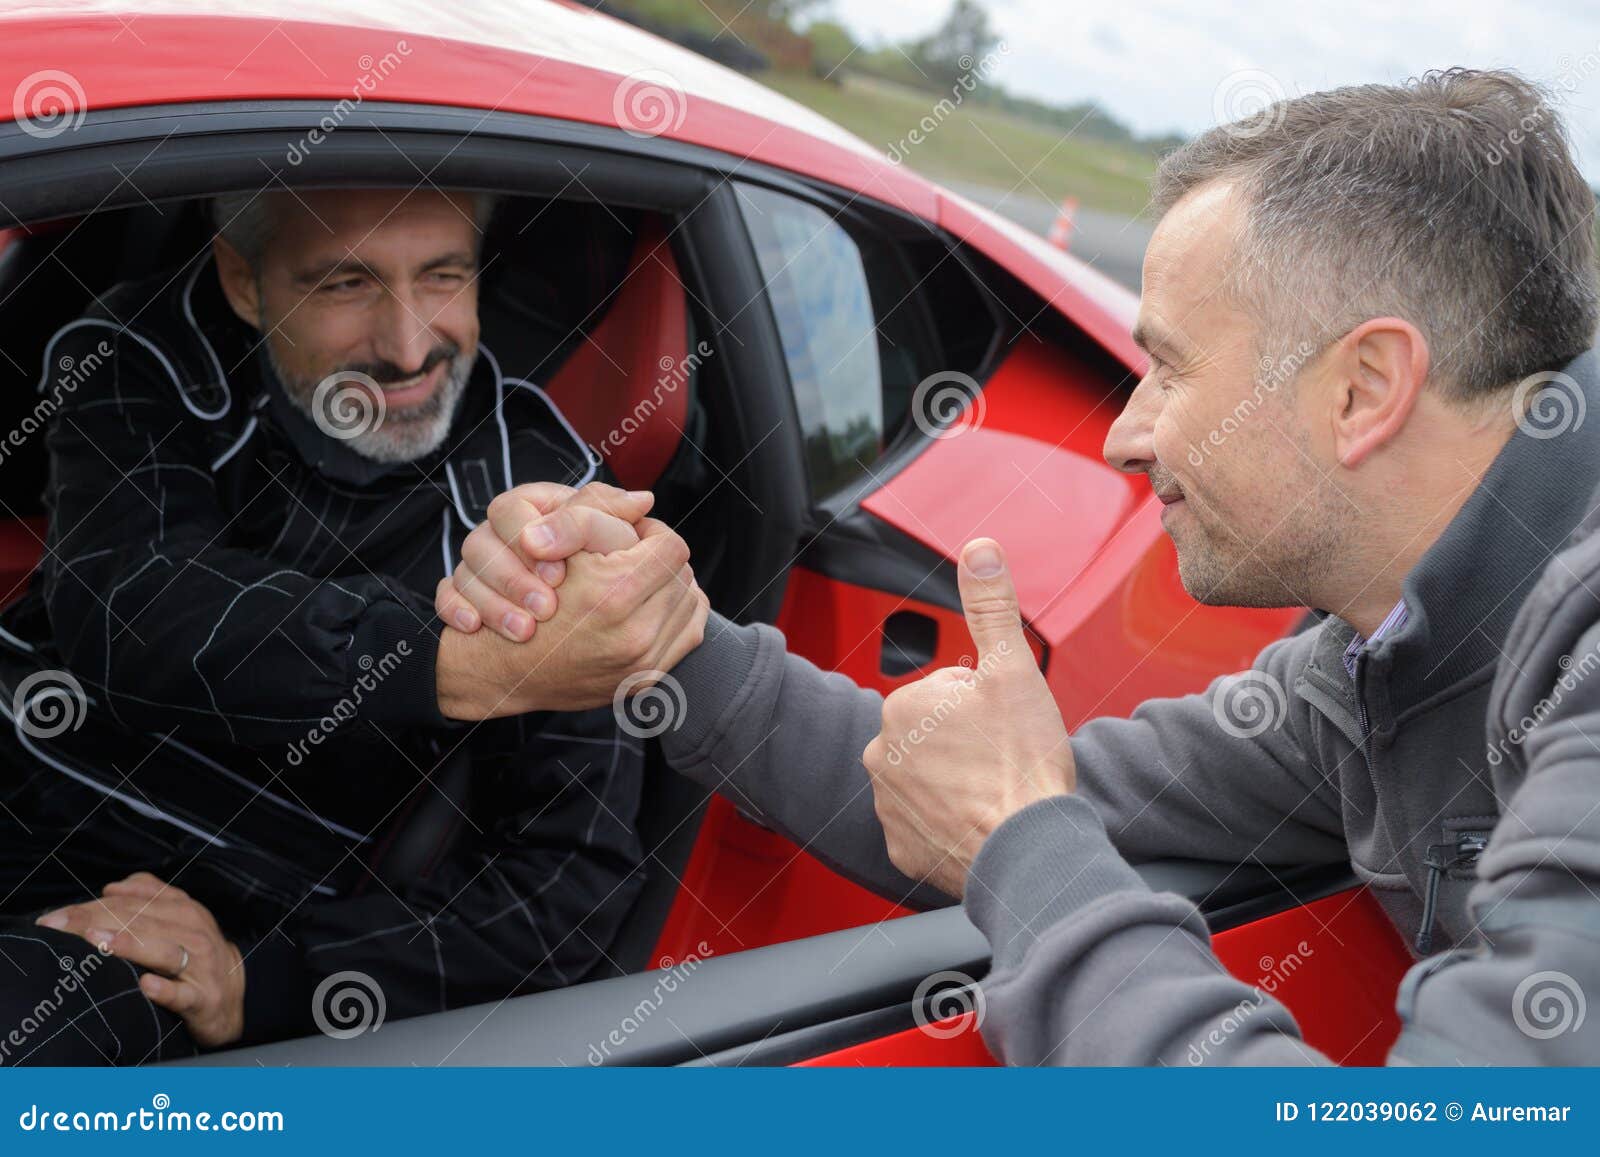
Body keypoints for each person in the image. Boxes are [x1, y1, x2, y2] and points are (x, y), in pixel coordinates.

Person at [438, 70, 1600, 1064]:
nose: (1122, 432)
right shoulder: (1365, 666)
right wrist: (667, 640)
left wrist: (1027, 849)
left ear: (1361, 390)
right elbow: (989, 795)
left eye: (1170, 369)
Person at [0, 186, 706, 1064]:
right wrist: (457, 663)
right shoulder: (145, 351)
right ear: (243, 280)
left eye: (444, 275)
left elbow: (566, 883)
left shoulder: (554, 501)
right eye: (345, 284)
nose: (409, 346)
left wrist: (267, 982)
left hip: (164, 928)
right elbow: (131, 610)